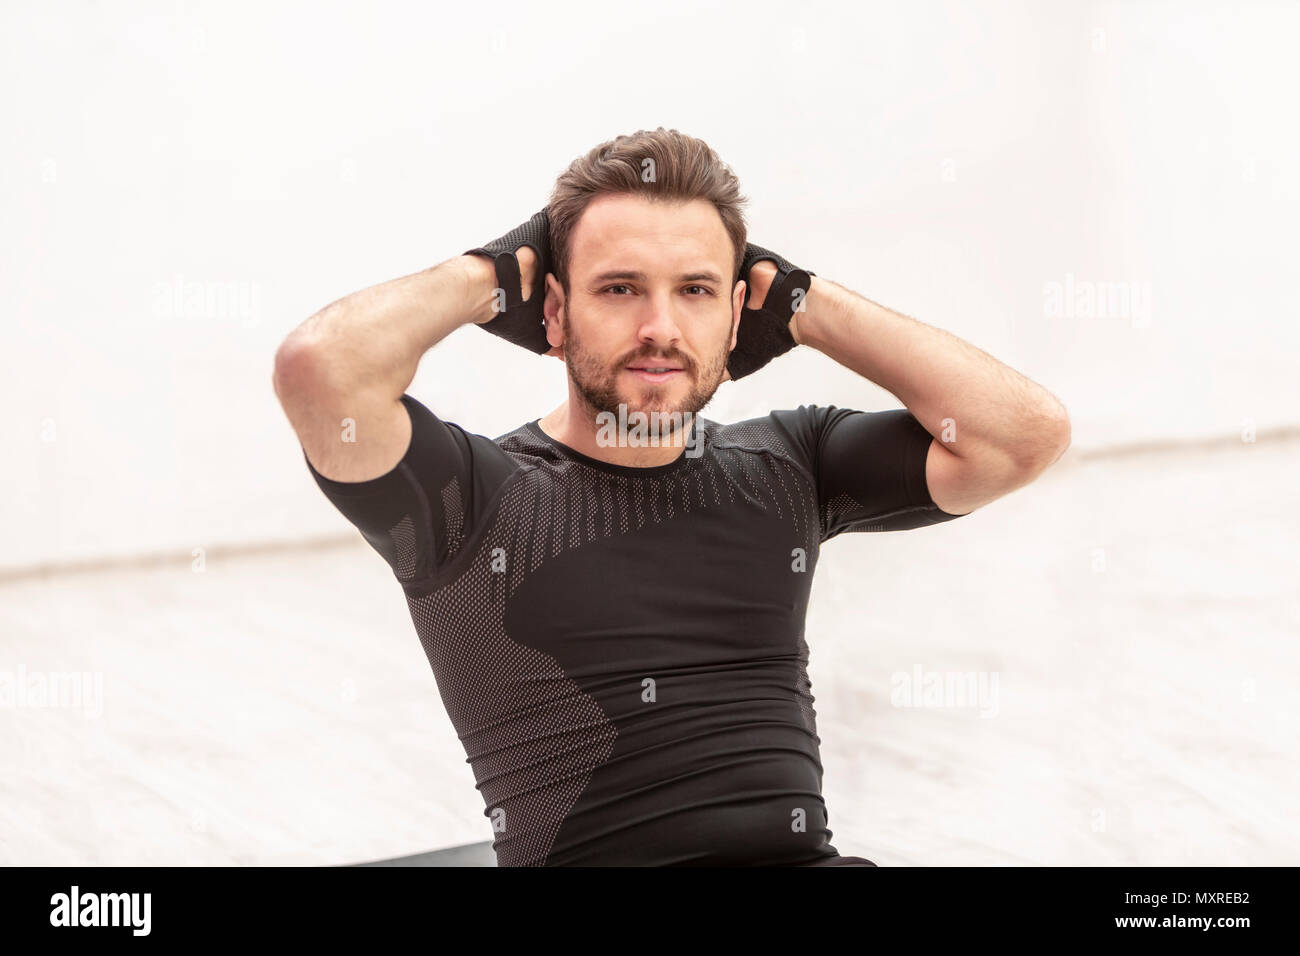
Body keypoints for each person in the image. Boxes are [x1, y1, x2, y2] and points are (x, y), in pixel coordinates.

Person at [271, 127, 1071, 867]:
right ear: (552, 310)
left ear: (735, 318)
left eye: (695, 291)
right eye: (620, 289)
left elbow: (1021, 436)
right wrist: (489, 274)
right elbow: (321, 368)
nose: (660, 327)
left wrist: (805, 304)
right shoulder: (474, 498)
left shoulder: (789, 461)